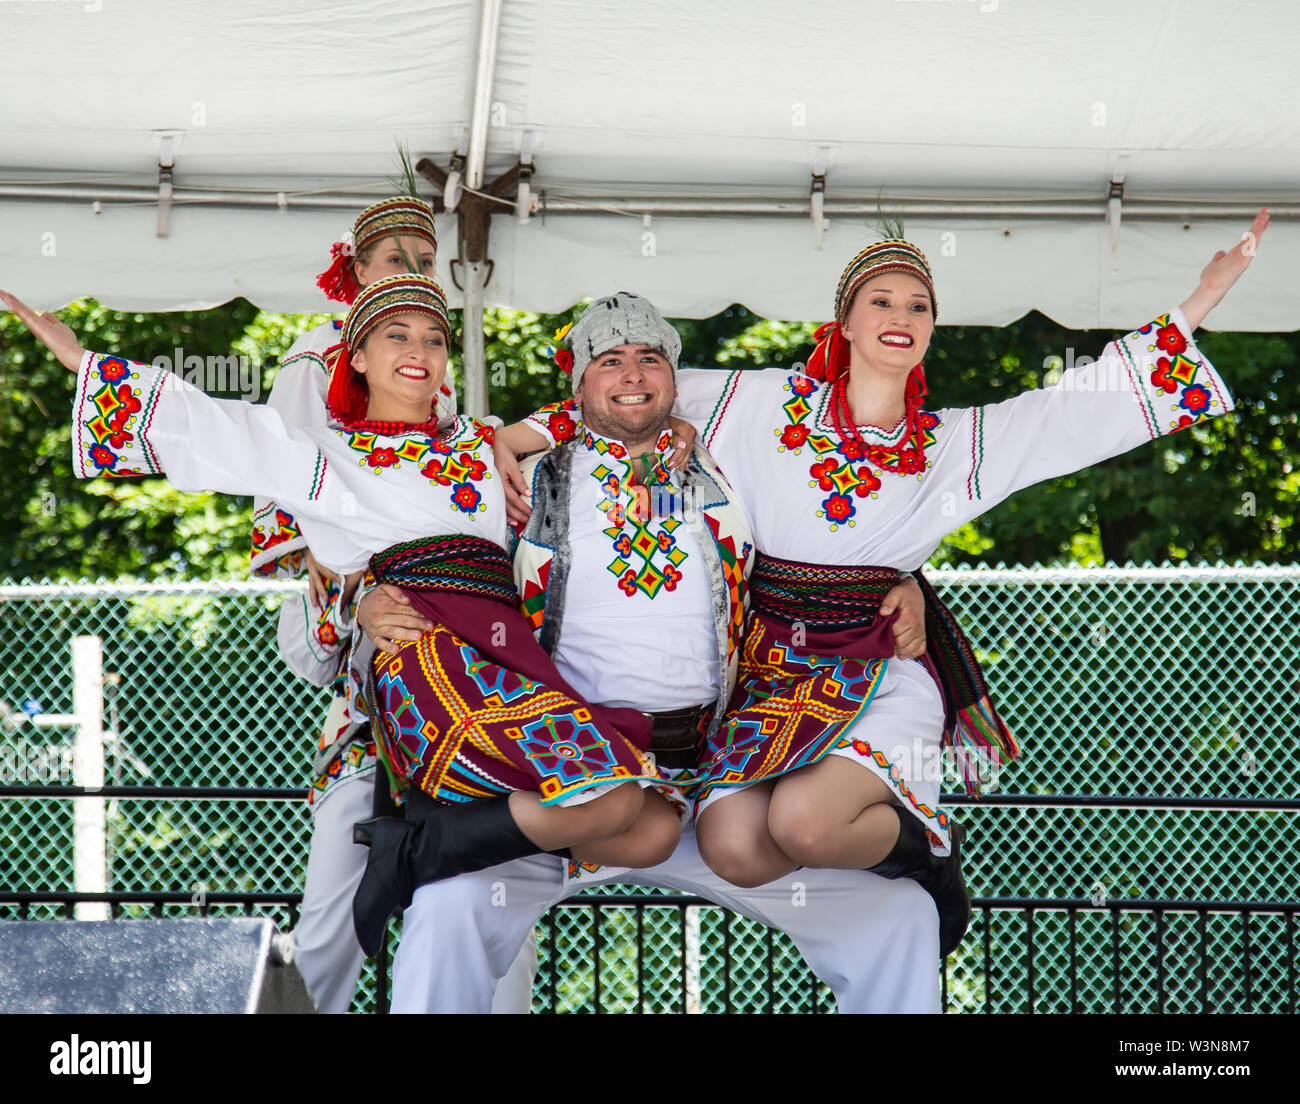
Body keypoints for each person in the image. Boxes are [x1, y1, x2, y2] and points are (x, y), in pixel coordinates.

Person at [498, 210, 1271, 959]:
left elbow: (1073, 409)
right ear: (845, 321)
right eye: (881, 301)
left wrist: (1202, 295)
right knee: (732, 846)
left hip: (877, 666)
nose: (900, 316)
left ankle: (930, 851)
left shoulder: (954, 444)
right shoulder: (760, 401)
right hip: (773, 671)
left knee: (803, 826)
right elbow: (627, 392)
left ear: (932, 328)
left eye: (918, 306)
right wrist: (513, 439)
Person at [2, 273, 686, 965]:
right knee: (606, 801)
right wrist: (81, 362)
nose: (418, 350)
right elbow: (215, 426)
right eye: (396, 336)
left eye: (434, 338)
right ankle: (423, 844)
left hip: (508, 651)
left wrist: (670, 422)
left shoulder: (483, 443)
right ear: (355, 356)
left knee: (652, 825)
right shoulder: (328, 456)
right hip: (427, 654)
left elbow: (597, 408)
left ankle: (432, 841)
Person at [357, 292, 941, 1012]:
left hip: (718, 778)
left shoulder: (737, 472)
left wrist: (908, 580)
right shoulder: (516, 483)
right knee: (448, 911)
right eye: (609, 360)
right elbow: (413, 537)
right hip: (570, 781)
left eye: (649, 358)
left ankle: (919, 857)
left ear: (674, 376)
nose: (632, 374)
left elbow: (844, 536)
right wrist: (365, 598)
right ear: (577, 386)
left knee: (896, 913)